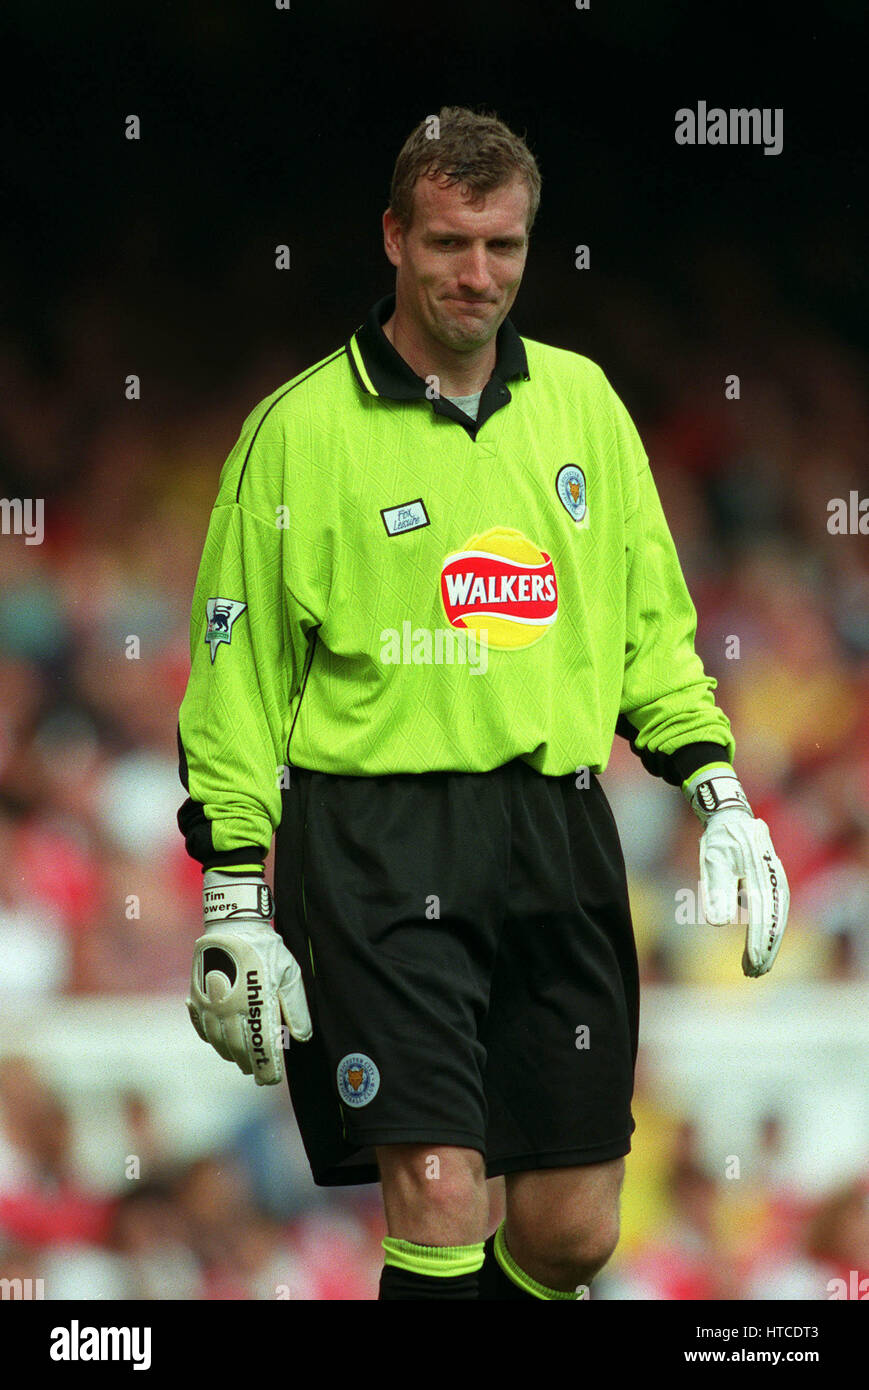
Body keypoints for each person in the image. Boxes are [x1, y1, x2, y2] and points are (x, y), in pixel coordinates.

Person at [176, 105, 789, 1301]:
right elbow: (236, 681)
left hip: (556, 834)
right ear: (394, 237)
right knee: (444, 1189)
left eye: (503, 246)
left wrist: (718, 793)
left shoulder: (583, 409)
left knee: (569, 1231)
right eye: (451, 242)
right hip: (373, 845)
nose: (478, 273)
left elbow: (648, 634)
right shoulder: (293, 436)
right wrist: (235, 889)